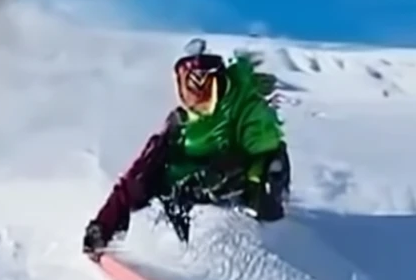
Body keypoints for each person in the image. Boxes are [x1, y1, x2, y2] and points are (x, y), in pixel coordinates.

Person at [83, 38, 292, 255]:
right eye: (190, 86)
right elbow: (136, 174)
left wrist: (220, 172)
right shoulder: (182, 122)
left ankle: (239, 262)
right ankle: (127, 238)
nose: (197, 96)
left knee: (265, 170)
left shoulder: (245, 107)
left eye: (204, 84)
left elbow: (263, 153)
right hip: (191, 196)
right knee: (151, 171)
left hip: (244, 195)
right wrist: (103, 223)